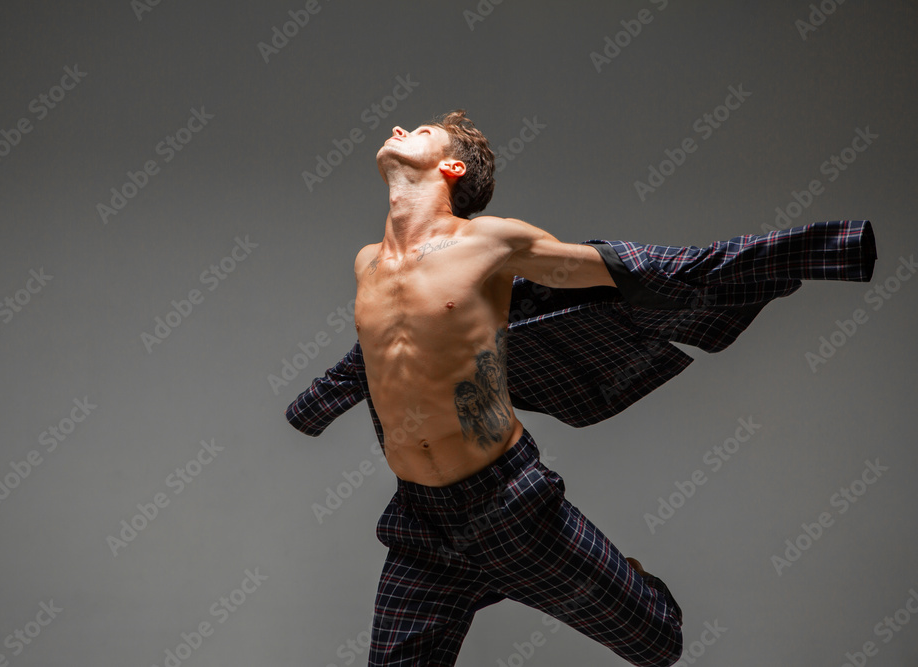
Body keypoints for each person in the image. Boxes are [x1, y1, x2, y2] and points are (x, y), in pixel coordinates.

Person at [285, 110, 876, 666]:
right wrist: (317, 405)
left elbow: (632, 271)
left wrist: (819, 252)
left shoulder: (491, 242)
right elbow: (381, 352)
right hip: (422, 522)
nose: (397, 127)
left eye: (419, 129)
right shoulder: (369, 262)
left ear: (452, 168)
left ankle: (632, 581)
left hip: (509, 505)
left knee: (657, 644)